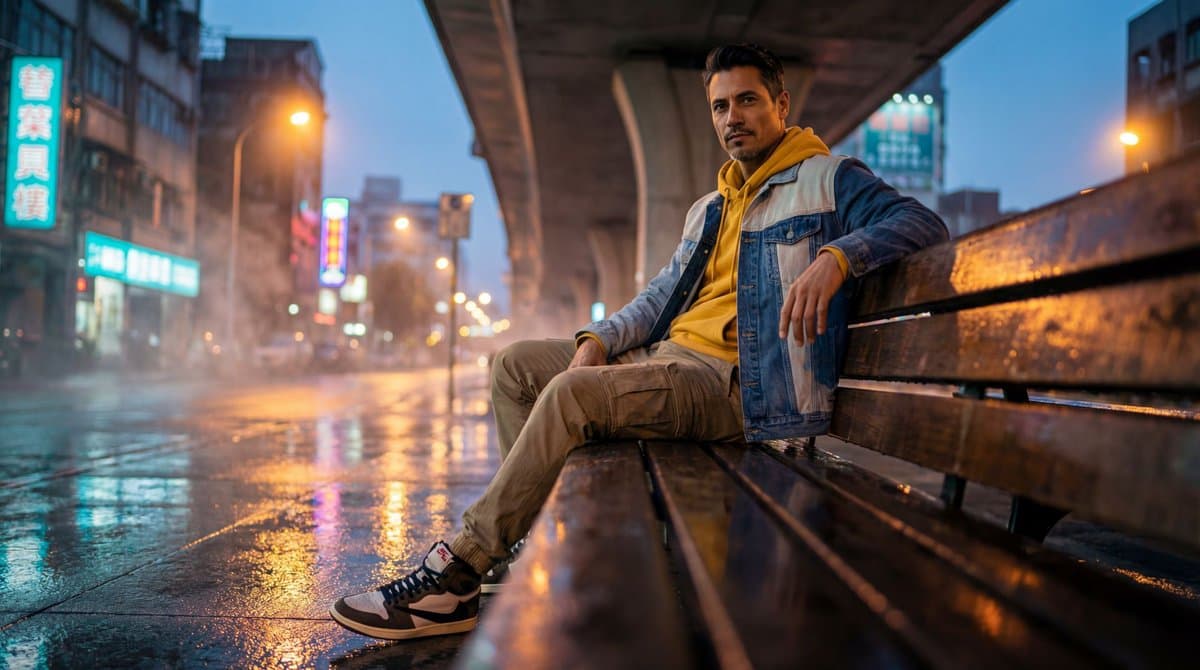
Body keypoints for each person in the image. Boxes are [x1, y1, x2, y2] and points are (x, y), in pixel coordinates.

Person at [329, 43, 948, 641]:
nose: (733, 118)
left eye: (748, 101)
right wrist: (599, 337)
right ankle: (521, 548)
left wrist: (839, 256)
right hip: (669, 361)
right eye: (720, 106)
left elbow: (922, 223)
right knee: (516, 366)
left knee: (573, 397)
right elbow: (658, 298)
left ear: (782, 104)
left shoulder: (829, 179)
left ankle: (457, 571)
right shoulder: (710, 207)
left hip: (739, 388)